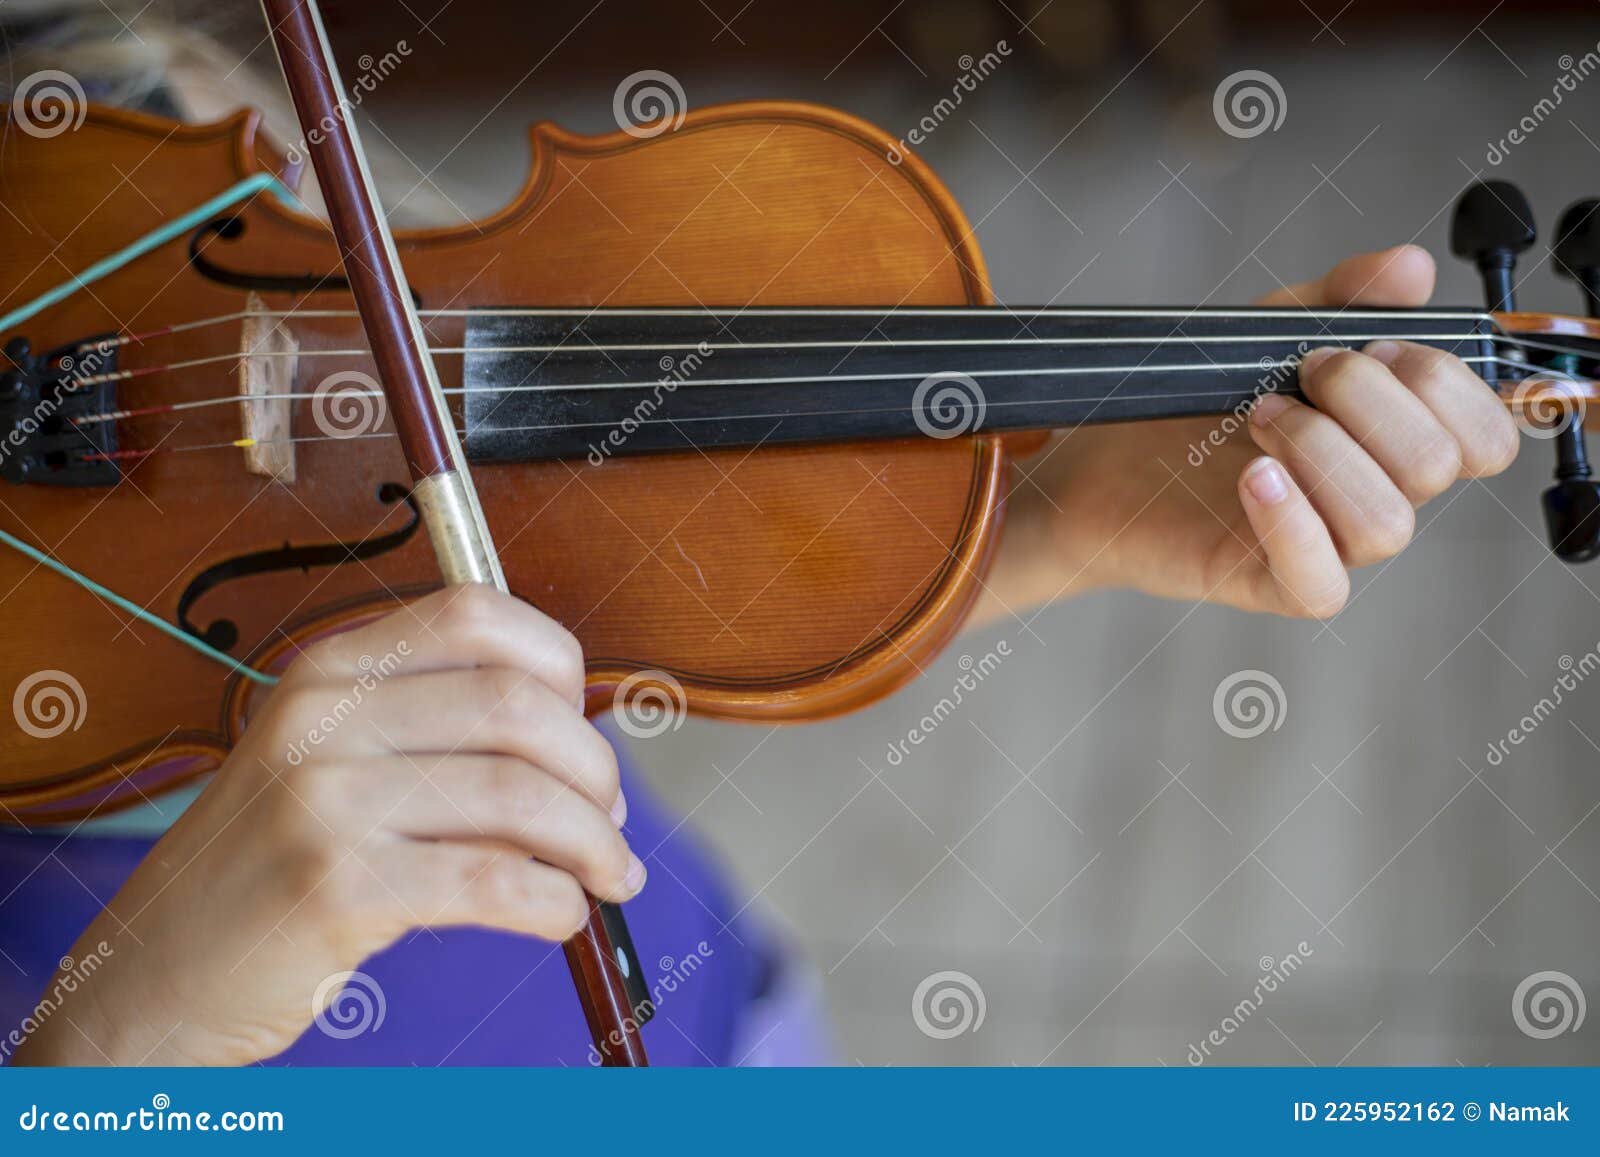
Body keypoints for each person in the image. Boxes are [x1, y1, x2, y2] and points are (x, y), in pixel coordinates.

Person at [0, 5, 1517, 1067]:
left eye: (319, 260)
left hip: (719, 1028)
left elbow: (671, 587)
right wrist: (116, 1050)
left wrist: (1053, 506)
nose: (336, 413)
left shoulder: (100, 146)